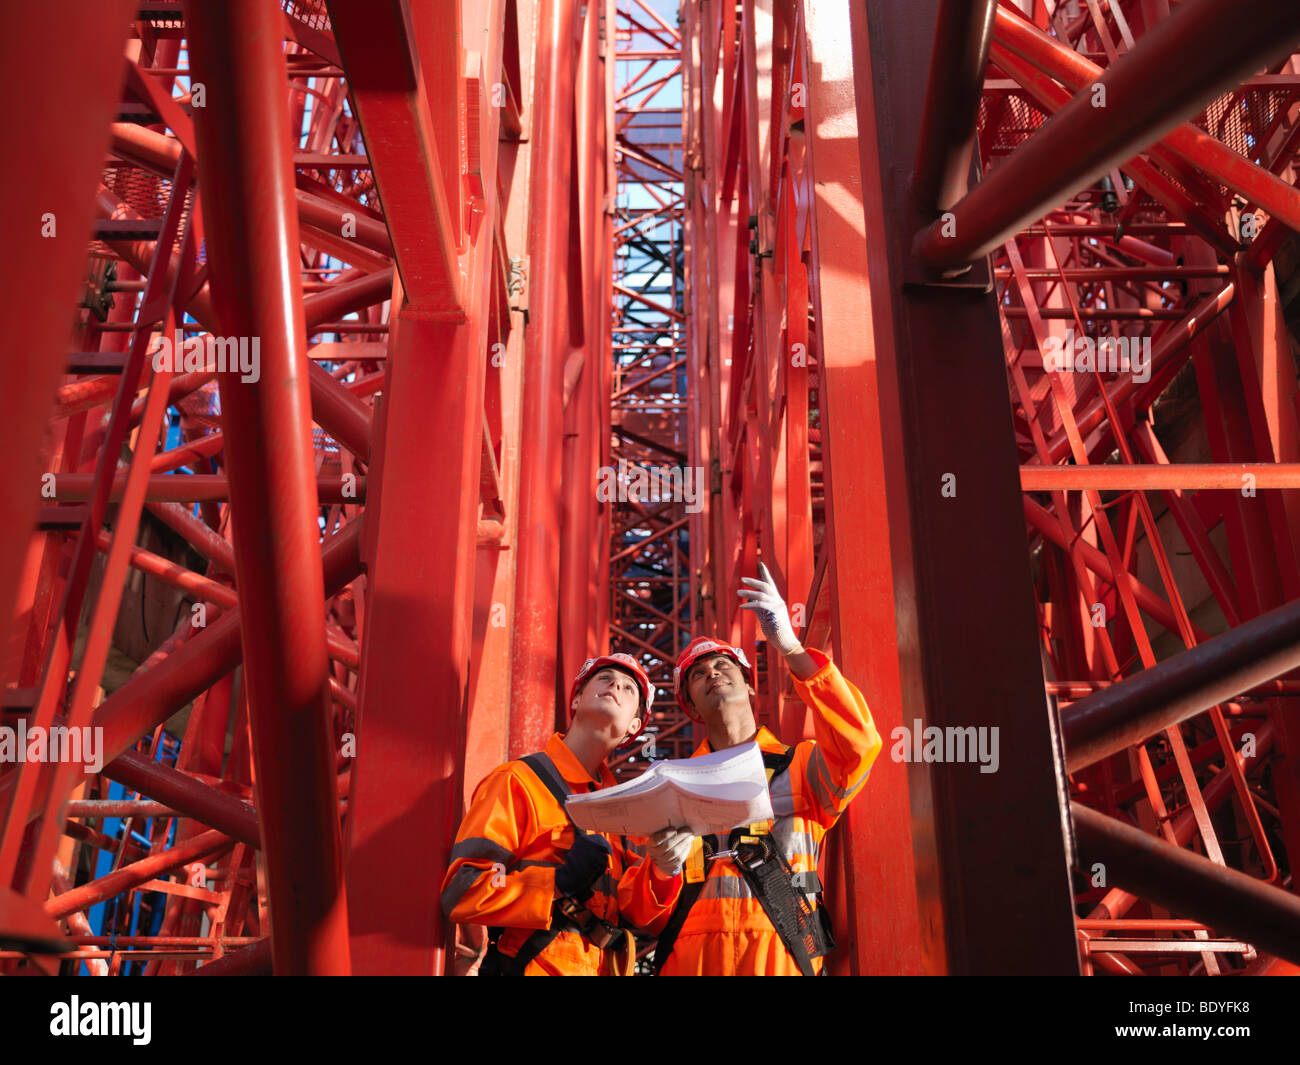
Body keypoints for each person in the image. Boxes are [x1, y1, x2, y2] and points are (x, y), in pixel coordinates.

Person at [649, 563, 883, 976]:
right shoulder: (672, 790)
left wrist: (792, 649)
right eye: (698, 675)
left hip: (781, 954)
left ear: (749, 683)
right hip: (691, 960)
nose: (712, 674)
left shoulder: (801, 767)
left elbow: (860, 744)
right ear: (690, 706)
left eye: (723, 666)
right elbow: (642, 908)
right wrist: (660, 869)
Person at [440, 652, 685, 975]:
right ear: (577, 699)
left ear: (634, 727)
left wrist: (665, 869)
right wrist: (555, 882)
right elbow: (463, 892)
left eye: (628, 688)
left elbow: (644, 917)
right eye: (605, 678)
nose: (615, 685)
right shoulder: (518, 781)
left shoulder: (627, 816)